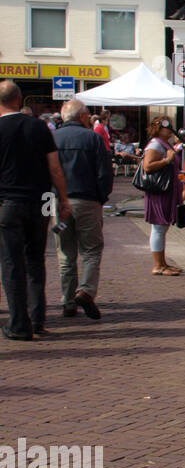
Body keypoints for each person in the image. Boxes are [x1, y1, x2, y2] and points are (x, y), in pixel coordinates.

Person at [0, 80, 70, 339]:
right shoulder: (39, 127)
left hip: (9, 203)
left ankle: (19, 324)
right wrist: (63, 199)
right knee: (35, 260)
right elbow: (54, 168)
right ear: (20, 99)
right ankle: (37, 319)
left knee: (11, 263)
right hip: (40, 202)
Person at [52, 99, 113, 319]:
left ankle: (68, 301)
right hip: (87, 200)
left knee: (65, 253)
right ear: (82, 117)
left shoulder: (53, 138)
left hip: (59, 202)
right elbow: (104, 172)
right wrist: (101, 197)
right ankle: (86, 291)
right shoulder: (93, 138)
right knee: (91, 250)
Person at [140, 116, 185, 275]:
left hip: (167, 191)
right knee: (158, 227)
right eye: (168, 127)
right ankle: (158, 265)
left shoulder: (164, 144)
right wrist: (167, 160)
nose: (171, 129)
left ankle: (163, 263)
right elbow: (148, 166)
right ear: (159, 129)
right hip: (159, 192)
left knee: (162, 228)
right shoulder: (155, 144)